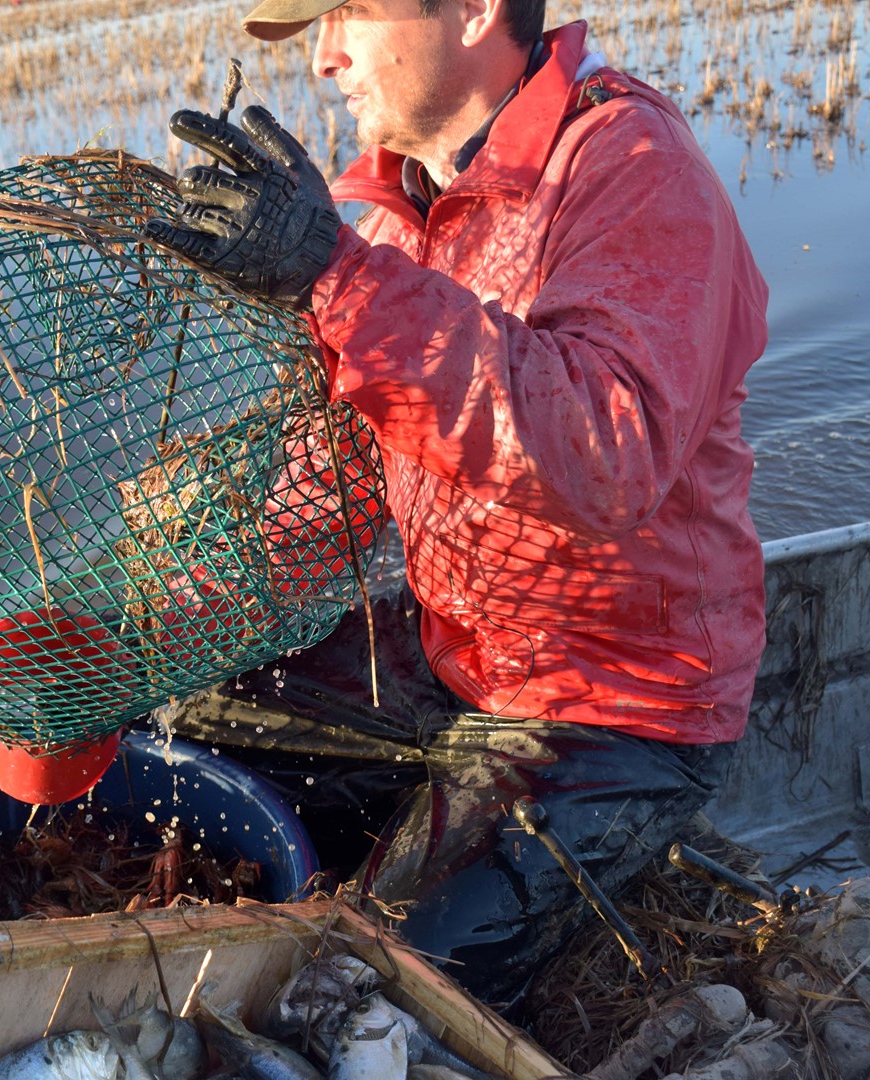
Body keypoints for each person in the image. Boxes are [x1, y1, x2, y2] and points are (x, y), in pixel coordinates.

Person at [142, 0, 770, 1010]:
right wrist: (152, 626)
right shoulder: (404, 208)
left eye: (346, 13)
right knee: (177, 736)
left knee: (368, 992)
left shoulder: (628, 167)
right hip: (459, 666)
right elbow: (333, 481)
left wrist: (337, 276)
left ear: (476, 10)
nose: (327, 58)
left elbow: (606, 451)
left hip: (618, 707)